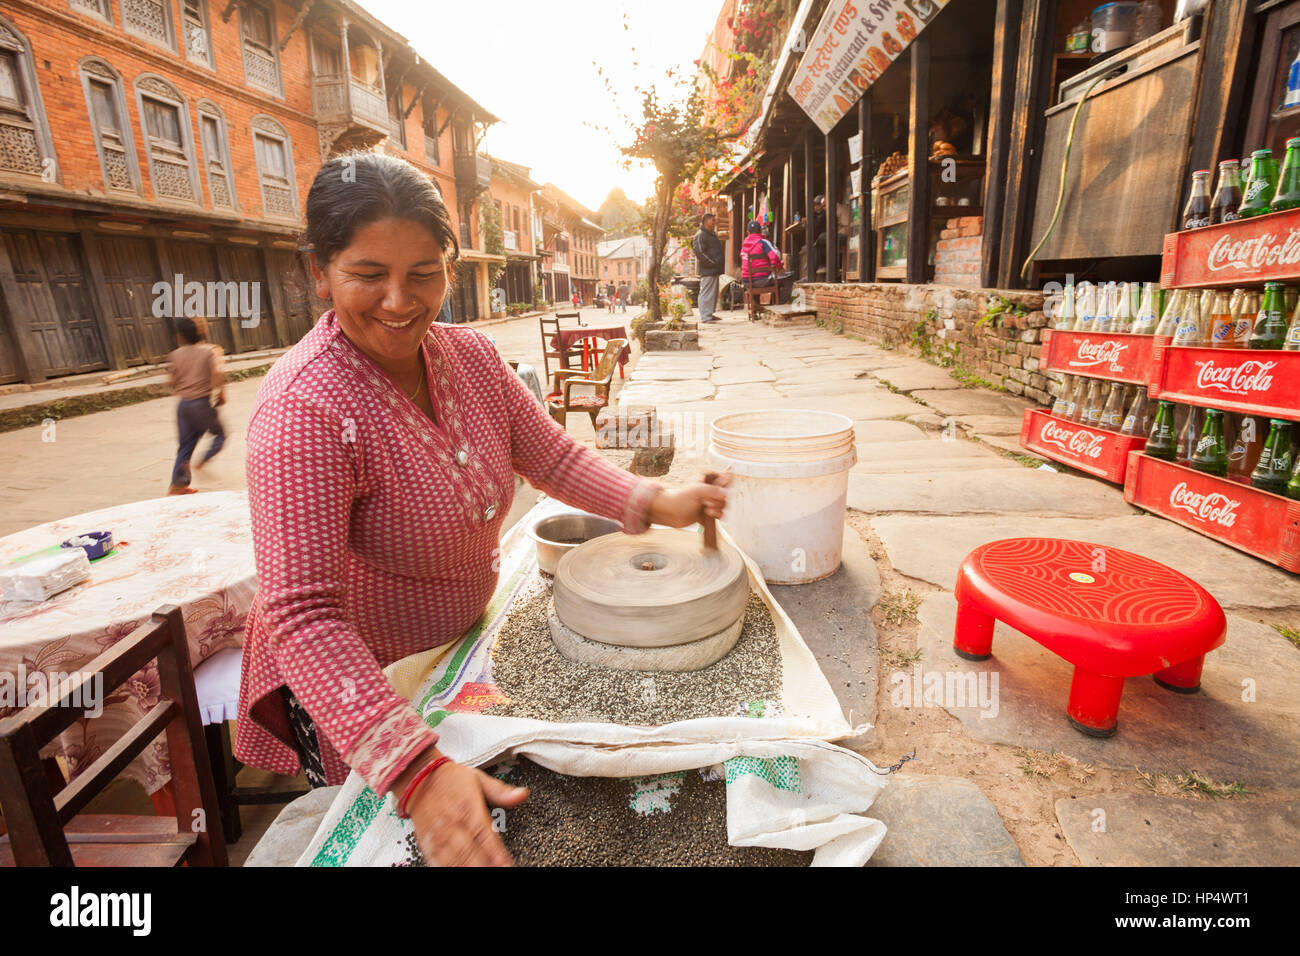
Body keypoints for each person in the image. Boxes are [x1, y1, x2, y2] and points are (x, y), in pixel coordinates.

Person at [235, 152, 728, 867]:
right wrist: (414, 771)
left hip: (454, 661)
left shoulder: (469, 358)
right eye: (369, 275)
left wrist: (655, 502)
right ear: (319, 271)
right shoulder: (305, 408)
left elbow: (554, 458)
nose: (400, 301)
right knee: (399, 844)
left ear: (450, 268)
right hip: (359, 692)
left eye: (424, 273)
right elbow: (302, 618)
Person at [166, 316, 226, 495]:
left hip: (183, 406)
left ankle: (178, 484)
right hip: (201, 403)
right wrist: (221, 394)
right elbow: (216, 375)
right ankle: (202, 461)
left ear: (181, 336)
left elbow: (171, 381)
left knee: (185, 445)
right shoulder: (209, 352)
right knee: (220, 435)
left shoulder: (175, 354)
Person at [692, 213, 724, 323]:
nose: (714, 222)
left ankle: (709, 313)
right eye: (712, 220)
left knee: (713, 293)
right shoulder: (700, 235)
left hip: (714, 269)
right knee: (706, 292)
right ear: (705, 221)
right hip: (708, 269)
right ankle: (705, 317)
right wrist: (712, 263)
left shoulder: (710, 234)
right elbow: (700, 253)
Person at [740, 219, 783, 288]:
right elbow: (774, 258)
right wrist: (780, 268)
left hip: (746, 282)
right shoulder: (763, 242)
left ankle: (755, 299)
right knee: (786, 279)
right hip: (761, 281)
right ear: (760, 231)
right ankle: (778, 299)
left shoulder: (744, 244)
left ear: (748, 233)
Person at [810, 194, 828, 276]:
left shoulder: (824, 213)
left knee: (818, 244)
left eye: (818, 205)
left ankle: (814, 271)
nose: (816, 207)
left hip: (826, 236)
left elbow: (817, 225)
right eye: (815, 205)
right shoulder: (815, 215)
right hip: (819, 238)